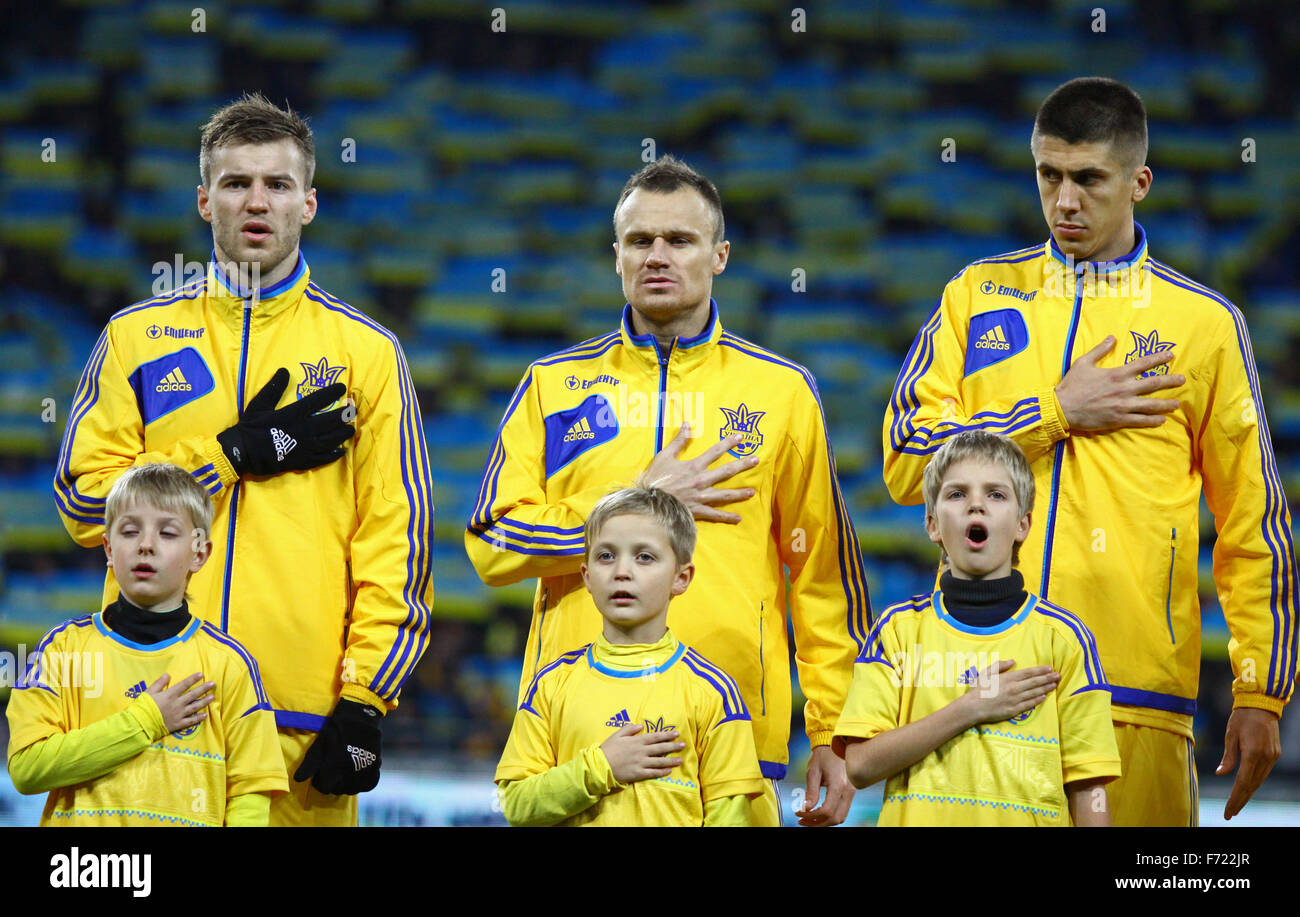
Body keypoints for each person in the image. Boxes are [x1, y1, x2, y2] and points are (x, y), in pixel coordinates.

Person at [882, 77, 1295, 825]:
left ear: (1139, 182)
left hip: (1133, 694)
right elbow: (908, 460)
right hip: (975, 684)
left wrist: (1260, 688)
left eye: (1088, 179)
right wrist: (1051, 412)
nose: (1064, 201)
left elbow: (1254, 524)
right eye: (1049, 175)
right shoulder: (976, 296)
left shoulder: (1204, 324)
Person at [52, 92, 434, 826]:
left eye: (277, 184)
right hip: (143, 709)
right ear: (204, 200)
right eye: (235, 183)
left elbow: (395, 543)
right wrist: (227, 454)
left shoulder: (370, 355)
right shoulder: (136, 337)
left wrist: (363, 700)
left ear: (309, 204)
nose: (256, 201)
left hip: (298, 724)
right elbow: (79, 506)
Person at [466, 155, 870, 827]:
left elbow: (822, 575)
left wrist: (832, 729)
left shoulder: (783, 392)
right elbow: (490, 545)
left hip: (735, 736)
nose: (658, 255)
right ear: (615, 256)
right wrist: (630, 497)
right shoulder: (551, 384)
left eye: (679, 240)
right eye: (639, 240)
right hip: (579, 738)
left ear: (719, 256)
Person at [836, 432, 1120, 826]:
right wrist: (971, 708)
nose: (976, 504)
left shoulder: (1065, 639)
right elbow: (860, 765)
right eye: (956, 494)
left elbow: (1090, 789)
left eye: (996, 495)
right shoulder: (898, 631)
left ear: (1023, 525)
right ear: (933, 525)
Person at [8, 463, 287, 826]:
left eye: (168, 533)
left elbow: (249, 798)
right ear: (108, 547)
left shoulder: (230, 664)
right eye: (129, 531)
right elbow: (28, 768)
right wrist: (148, 720)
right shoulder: (63, 650)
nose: (145, 545)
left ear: (199, 553)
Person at [495, 485, 766, 826]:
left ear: (681, 578)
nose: (622, 571)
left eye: (644, 557)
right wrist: (603, 767)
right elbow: (515, 805)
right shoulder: (551, 685)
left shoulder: (713, 692)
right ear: (587, 576)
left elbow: (729, 819)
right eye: (606, 556)